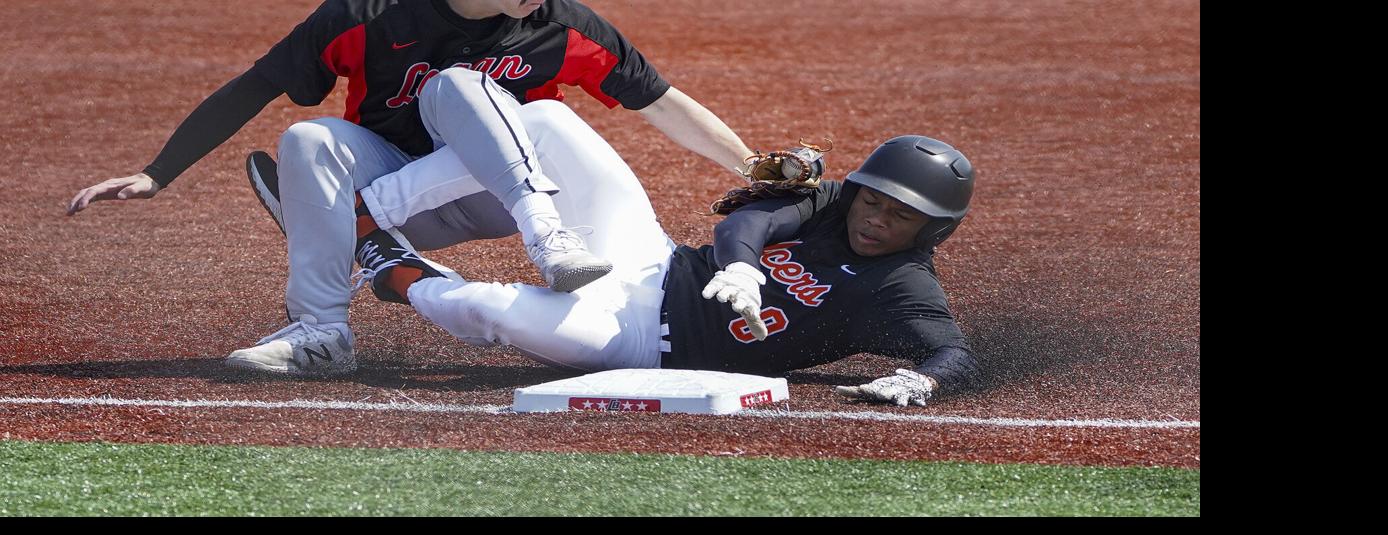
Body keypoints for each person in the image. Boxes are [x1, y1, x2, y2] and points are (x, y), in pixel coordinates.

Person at [65, 0, 753, 376]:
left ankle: (544, 238)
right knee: (307, 140)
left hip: (502, 196)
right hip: (399, 188)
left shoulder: (560, 23)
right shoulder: (368, 16)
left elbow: (659, 101)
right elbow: (260, 84)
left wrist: (752, 167)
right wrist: (159, 172)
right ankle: (321, 332)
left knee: (507, 101)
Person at [342, 133, 980, 405]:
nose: (874, 219)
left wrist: (921, 382)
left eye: (899, 216)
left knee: (484, 308)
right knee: (545, 124)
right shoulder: (836, 199)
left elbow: (952, 353)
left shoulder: (900, 285)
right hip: (651, 258)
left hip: (642, 344)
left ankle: (393, 266)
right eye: (873, 199)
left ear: (935, 229)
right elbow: (745, 223)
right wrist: (743, 268)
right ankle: (373, 202)